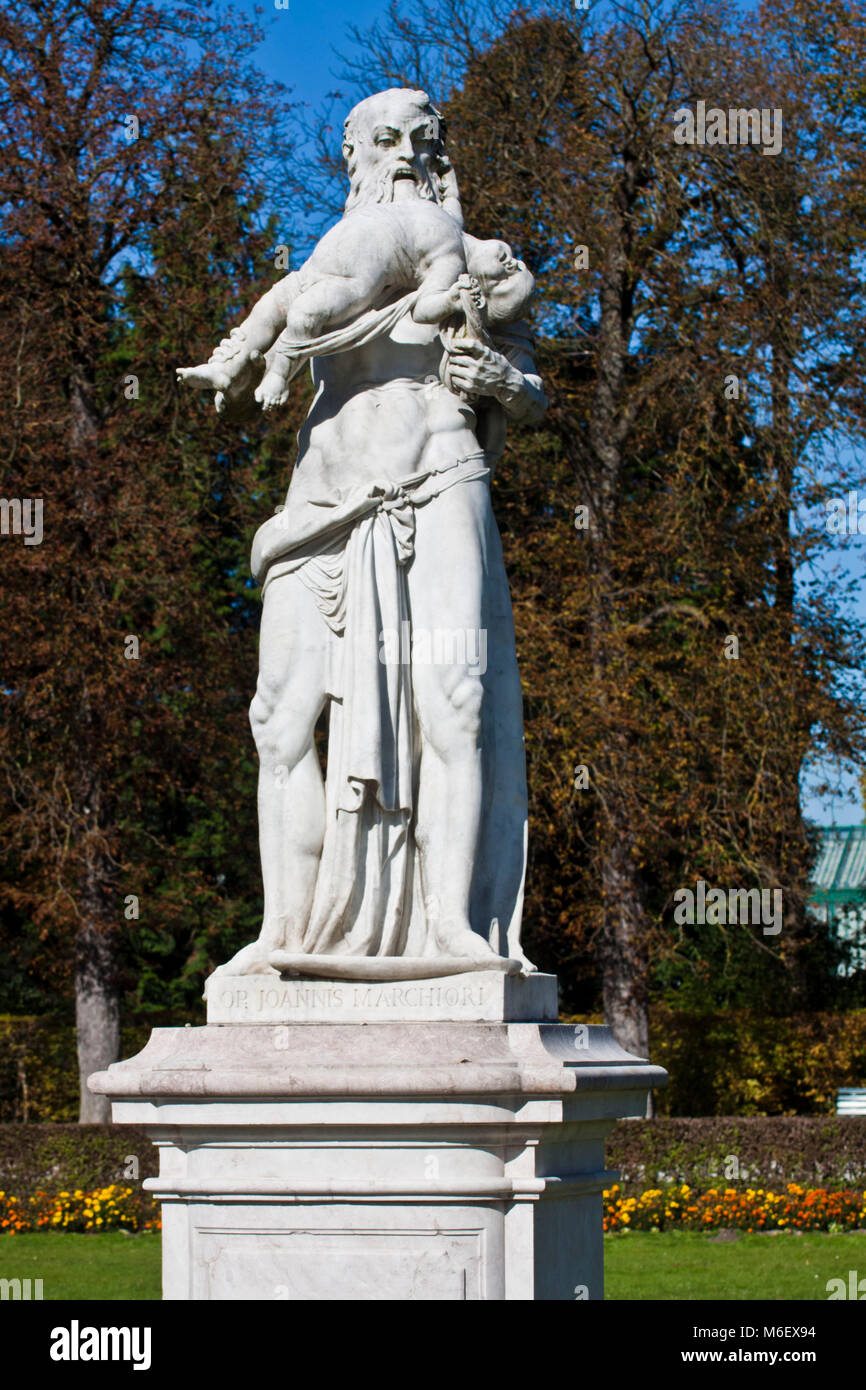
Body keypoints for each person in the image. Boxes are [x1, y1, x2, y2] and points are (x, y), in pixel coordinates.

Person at [178, 89, 546, 977]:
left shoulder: (484, 268)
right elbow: (274, 347)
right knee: (278, 719)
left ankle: (450, 925)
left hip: (438, 479)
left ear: (442, 154)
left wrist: (496, 376)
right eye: (386, 140)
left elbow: (532, 394)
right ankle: (284, 930)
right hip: (323, 500)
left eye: (424, 140)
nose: (407, 154)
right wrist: (243, 363)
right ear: (354, 156)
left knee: (454, 702)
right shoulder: (327, 264)